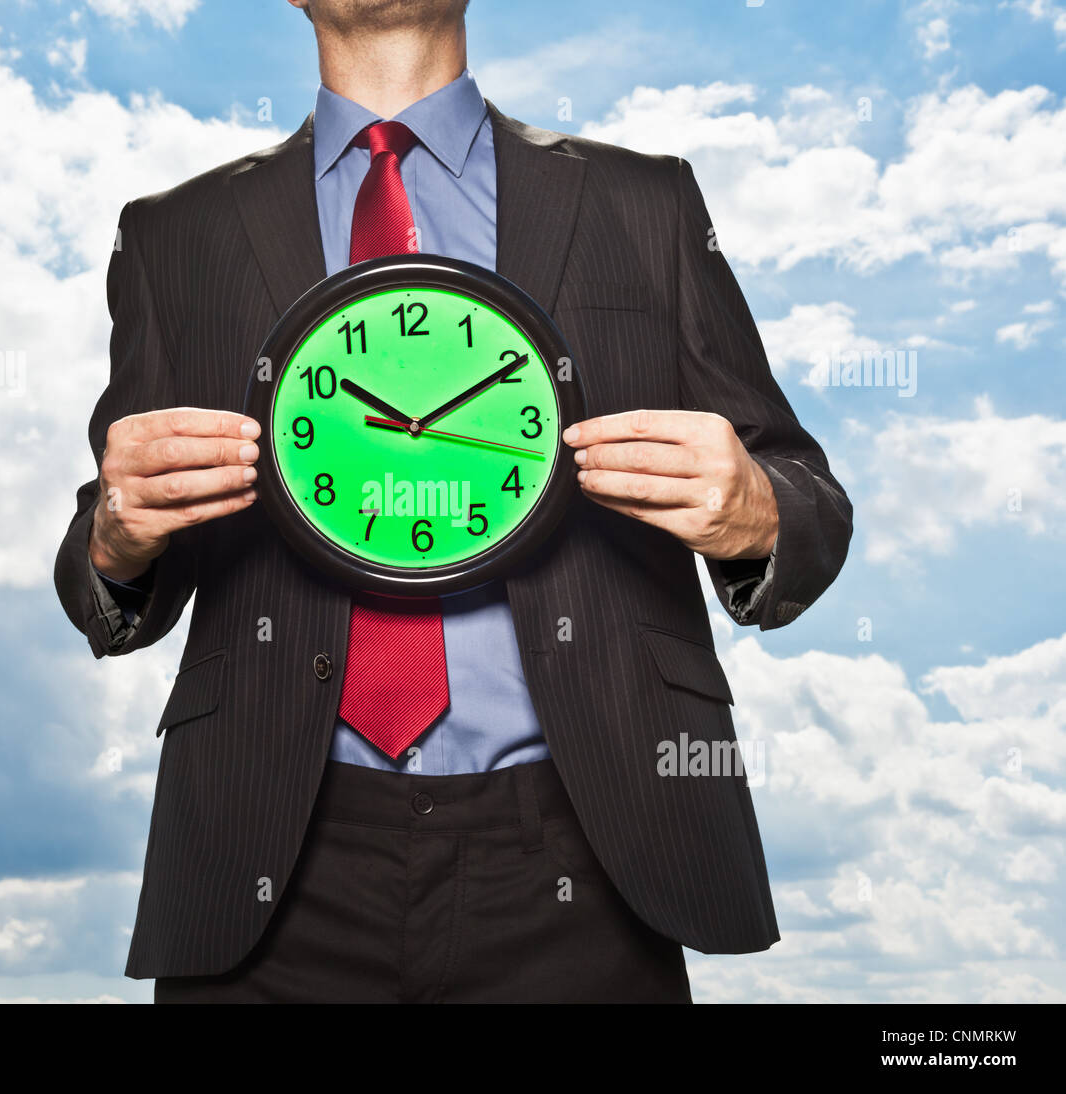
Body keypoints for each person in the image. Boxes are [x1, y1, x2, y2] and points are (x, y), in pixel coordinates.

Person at [54, 0, 852, 1002]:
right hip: (268, 839)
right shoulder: (176, 234)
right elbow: (102, 559)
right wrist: (116, 539)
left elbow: (807, 498)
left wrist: (760, 513)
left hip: (582, 840)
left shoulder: (642, 200)